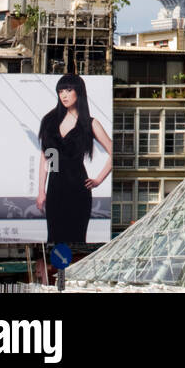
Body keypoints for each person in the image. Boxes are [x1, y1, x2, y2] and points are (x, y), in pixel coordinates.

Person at [36, 74, 112, 244]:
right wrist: (42, 190)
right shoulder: (50, 121)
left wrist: (98, 180)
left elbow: (113, 151)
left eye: (68, 90)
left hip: (78, 189)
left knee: (76, 240)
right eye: (60, 91)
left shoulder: (89, 123)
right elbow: (48, 158)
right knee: (54, 239)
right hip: (55, 189)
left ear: (79, 92)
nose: (64, 95)